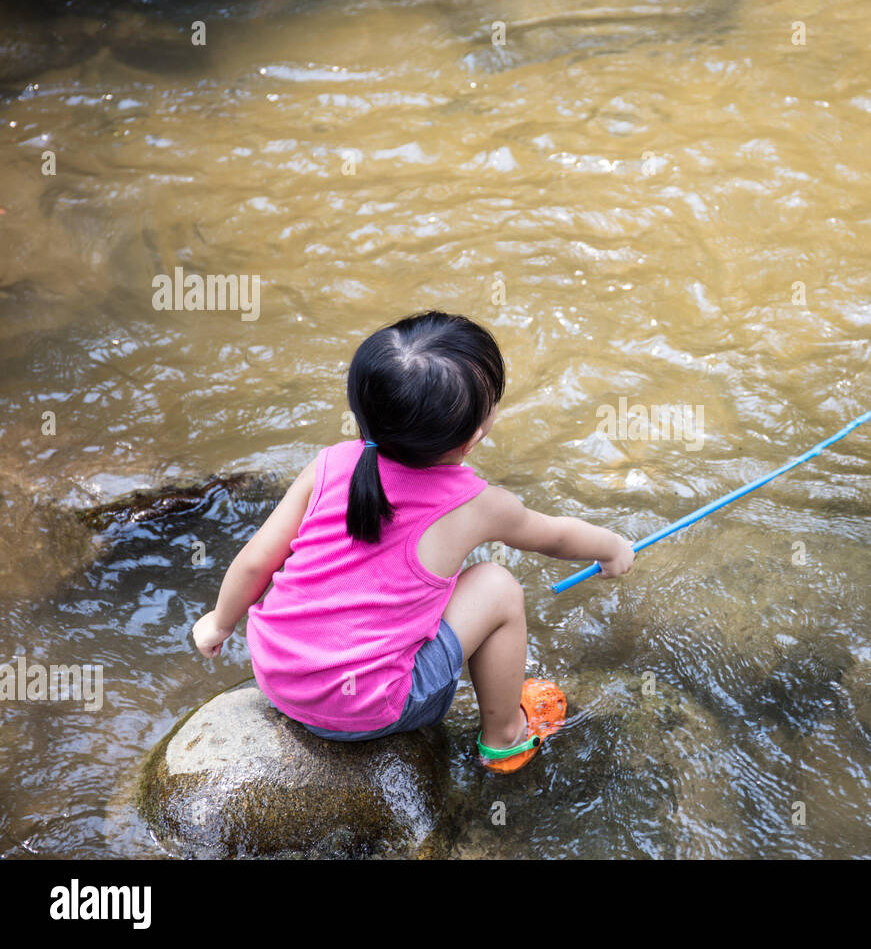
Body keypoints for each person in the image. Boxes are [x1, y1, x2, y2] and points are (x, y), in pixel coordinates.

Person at [190, 310, 634, 773]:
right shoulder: (478, 504)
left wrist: (220, 624)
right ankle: (505, 738)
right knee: (497, 586)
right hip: (367, 710)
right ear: (474, 436)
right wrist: (612, 548)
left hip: (277, 677)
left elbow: (256, 561)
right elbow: (557, 536)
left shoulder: (329, 465)